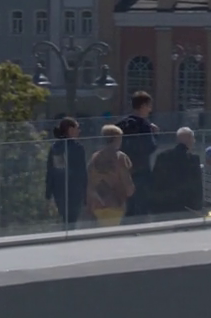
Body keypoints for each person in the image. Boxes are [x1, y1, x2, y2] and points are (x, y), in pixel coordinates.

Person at [118, 91, 160, 220]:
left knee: (127, 207)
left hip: (123, 171)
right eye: (148, 106)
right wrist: (155, 134)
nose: (150, 109)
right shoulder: (144, 125)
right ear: (142, 106)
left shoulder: (121, 124)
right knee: (141, 207)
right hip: (141, 172)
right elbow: (150, 147)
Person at [85, 124, 136, 226]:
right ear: (117, 138)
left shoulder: (95, 157)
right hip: (115, 204)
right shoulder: (120, 157)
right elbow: (128, 185)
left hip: (97, 205)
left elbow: (89, 181)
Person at [148, 127, 204, 217]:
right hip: (186, 207)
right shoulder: (192, 159)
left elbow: (155, 181)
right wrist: (198, 207)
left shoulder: (162, 157)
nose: (194, 141)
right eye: (193, 138)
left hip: (164, 206)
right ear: (189, 139)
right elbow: (197, 185)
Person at [45, 118, 89, 226]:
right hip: (75, 190)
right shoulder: (78, 148)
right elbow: (82, 172)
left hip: (59, 190)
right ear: (70, 130)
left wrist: (48, 193)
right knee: (72, 220)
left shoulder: (55, 147)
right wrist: (85, 192)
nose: (79, 131)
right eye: (77, 128)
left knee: (65, 219)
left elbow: (52, 171)